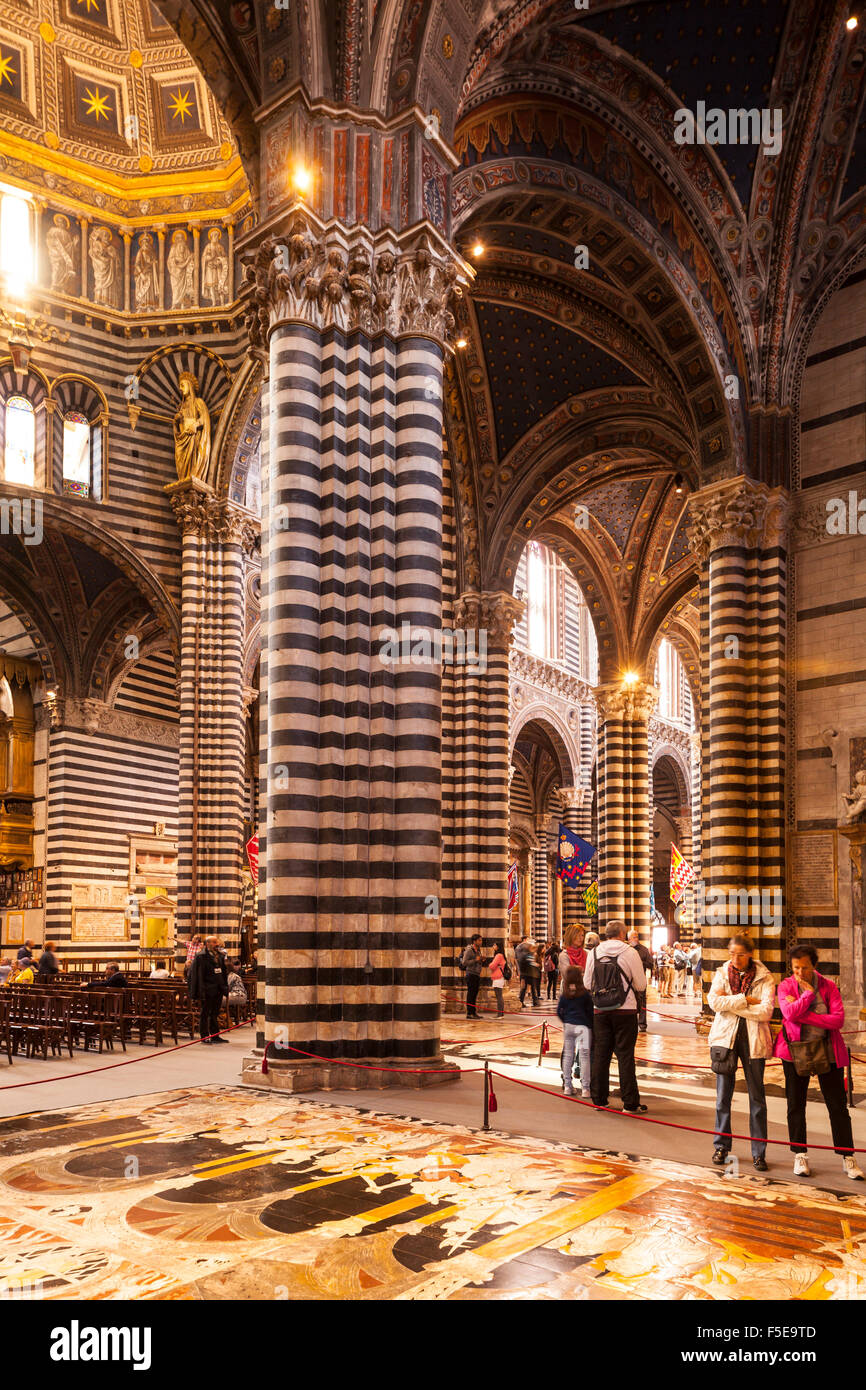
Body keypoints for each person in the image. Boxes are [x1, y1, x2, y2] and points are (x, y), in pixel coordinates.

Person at [774, 943, 864, 1181]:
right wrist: (808, 996)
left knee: (837, 1106)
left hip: (828, 1051)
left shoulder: (829, 985)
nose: (800, 973)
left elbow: (838, 1020)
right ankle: (800, 1154)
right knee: (796, 1104)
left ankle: (848, 1157)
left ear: (814, 965)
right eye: (795, 968)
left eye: (804, 967)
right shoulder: (785, 986)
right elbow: (789, 1014)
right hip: (795, 1053)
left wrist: (805, 1012)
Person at [708, 935, 774, 1171]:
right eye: (731, 953)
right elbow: (714, 1002)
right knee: (722, 1097)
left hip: (753, 1039)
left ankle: (759, 1152)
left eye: (740, 954)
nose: (735, 958)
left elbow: (766, 1011)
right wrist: (745, 1000)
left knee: (757, 1098)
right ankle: (721, 1146)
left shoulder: (765, 977)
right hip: (726, 1039)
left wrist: (733, 1004)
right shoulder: (722, 973)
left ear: (750, 954)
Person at [583, 921, 648, 1112]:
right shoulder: (629, 952)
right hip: (625, 1011)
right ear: (622, 934)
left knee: (601, 1054)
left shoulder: (594, 952)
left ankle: (599, 1100)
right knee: (625, 1056)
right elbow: (641, 985)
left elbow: (587, 983)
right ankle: (630, 1103)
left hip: (600, 1010)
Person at [557, 966, 593, 1097]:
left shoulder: (565, 994)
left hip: (569, 1027)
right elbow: (590, 1011)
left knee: (567, 1056)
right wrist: (589, 1024)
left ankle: (567, 1086)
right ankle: (585, 1088)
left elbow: (558, 1011)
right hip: (583, 1027)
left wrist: (566, 1020)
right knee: (584, 1057)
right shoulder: (584, 994)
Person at [188, 936, 230, 1044]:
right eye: (214, 942)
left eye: (217, 942)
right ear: (208, 944)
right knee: (205, 1013)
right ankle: (204, 1035)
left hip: (218, 989)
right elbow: (196, 974)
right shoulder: (201, 957)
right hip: (207, 989)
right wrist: (199, 990)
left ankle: (215, 1035)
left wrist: (225, 987)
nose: (217, 944)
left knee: (215, 1013)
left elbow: (223, 972)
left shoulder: (220, 956)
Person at [628, 930, 653, 1033]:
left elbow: (651, 964)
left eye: (637, 936)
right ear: (629, 939)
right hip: (628, 981)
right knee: (630, 1002)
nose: (636, 939)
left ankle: (642, 1024)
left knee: (642, 1002)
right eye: (633, 937)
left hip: (640, 978)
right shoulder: (626, 950)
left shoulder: (644, 950)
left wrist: (639, 962)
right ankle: (630, 1024)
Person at [460, 934, 486, 1019]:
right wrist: (476, 960)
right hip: (471, 974)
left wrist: (481, 960)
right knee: (471, 994)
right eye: (479, 940)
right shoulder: (469, 950)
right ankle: (469, 1013)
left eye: (481, 940)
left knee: (474, 994)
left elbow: (477, 961)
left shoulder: (478, 950)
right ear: (474, 941)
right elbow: (464, 962)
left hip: (476, 974)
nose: (481, 942)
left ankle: (474, 1013)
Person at [515, 935, 541, 1008]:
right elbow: (530, 962)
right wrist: (536, 965)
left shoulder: (523, 953)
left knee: (524, 988)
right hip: (530, 974)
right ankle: (534, 1001)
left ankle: (521, 1001)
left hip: (525, 974)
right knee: (532, 988)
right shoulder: (529, 954)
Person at [558, 925, 587, 989]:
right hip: (569, 993)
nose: (581, 938)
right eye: (577, 935)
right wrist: (585, 975)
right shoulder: (564, 955)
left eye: (582, 935)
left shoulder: (587, 953)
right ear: (571, 936)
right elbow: (568, 976)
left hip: (585, 992)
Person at [489, 941, 507, 1017]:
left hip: (498, 977)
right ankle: (501, 1013)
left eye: (494, 945)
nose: (493, 946)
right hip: (499, 977)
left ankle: (500, 1014)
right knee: (499, 996)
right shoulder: (501, 955)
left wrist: (490, 964)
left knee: (499, 996)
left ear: (498, 947)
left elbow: (492, 966)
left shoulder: (498, 955)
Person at [688, 938, 703, 1003]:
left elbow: (690, 961)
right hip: (698, 967)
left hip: (693, 968)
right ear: (694, 947)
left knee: (695, 981)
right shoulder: (697, 951)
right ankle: (699, 992)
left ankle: (695, 992)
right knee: (699, 981)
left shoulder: (690, 953)